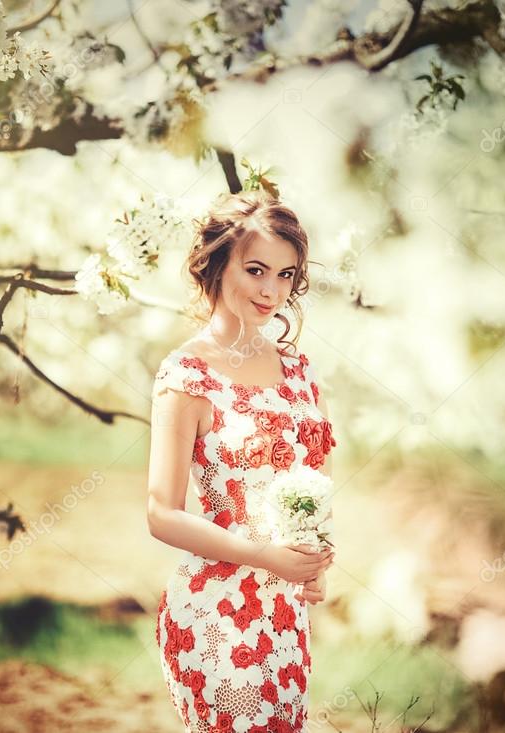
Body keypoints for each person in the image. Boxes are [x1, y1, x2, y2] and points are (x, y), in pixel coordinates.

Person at [147, 189, 338, 732]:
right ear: (217, 262)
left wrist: (316, 559)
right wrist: (265, 556)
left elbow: (312, 484)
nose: (270, 290)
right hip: (216, 614)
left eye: (284, 275)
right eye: (256, 270)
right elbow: (161, 512)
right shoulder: (186, 375)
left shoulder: (299, 373)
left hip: (285, 620)